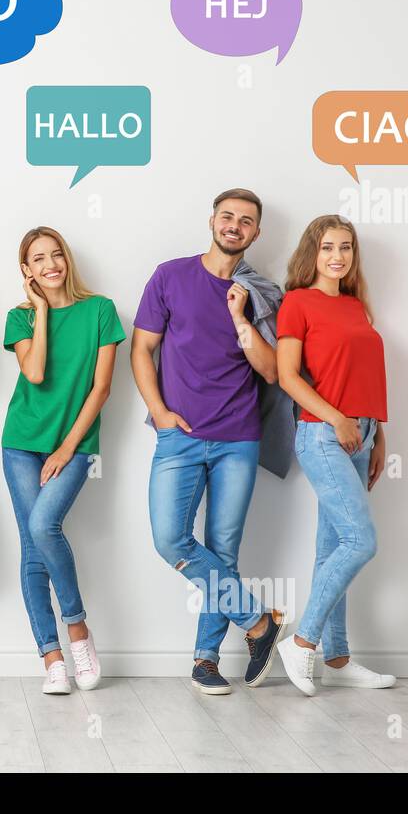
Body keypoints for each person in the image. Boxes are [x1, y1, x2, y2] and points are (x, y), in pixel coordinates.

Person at [130, 188, 287, 695]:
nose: (234, 226)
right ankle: (260, 624)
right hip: (179, 436)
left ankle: (205, 660)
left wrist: (242, 317)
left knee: (223, 551)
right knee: (170, 540)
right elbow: (142, 349)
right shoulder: (170, 275)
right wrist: (159, 412)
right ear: (212, 221)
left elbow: (271, 371)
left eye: (245, 221)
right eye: (227, 217)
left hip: (238, 438)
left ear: (256, 233)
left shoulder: (261, 293)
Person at [275, 215, 395, 695]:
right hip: (322, 434)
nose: (338, 256)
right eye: (328, 247)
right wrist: (338, 419)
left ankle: (338, 657)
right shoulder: (297, 303)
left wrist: (378, 431)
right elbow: (288, 377)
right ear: (313, 252)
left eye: (346, 248)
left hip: (361, 434)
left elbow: (362, 374)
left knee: (332, 549)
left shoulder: (356, 307)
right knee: (360, 541)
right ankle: (301, 642)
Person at [1, 227, 124, 694]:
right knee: (31, 545)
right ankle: (51, 656)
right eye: (39, 259)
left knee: (42, 527)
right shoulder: (20, 317)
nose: (51, 264)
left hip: (72, 444)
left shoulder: (100, 310)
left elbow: (102, 388)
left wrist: (68, 447)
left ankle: (77, 629)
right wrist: (42, 311)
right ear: (27, 271)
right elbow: (34, 373)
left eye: (57, 255)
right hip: (21, 441)